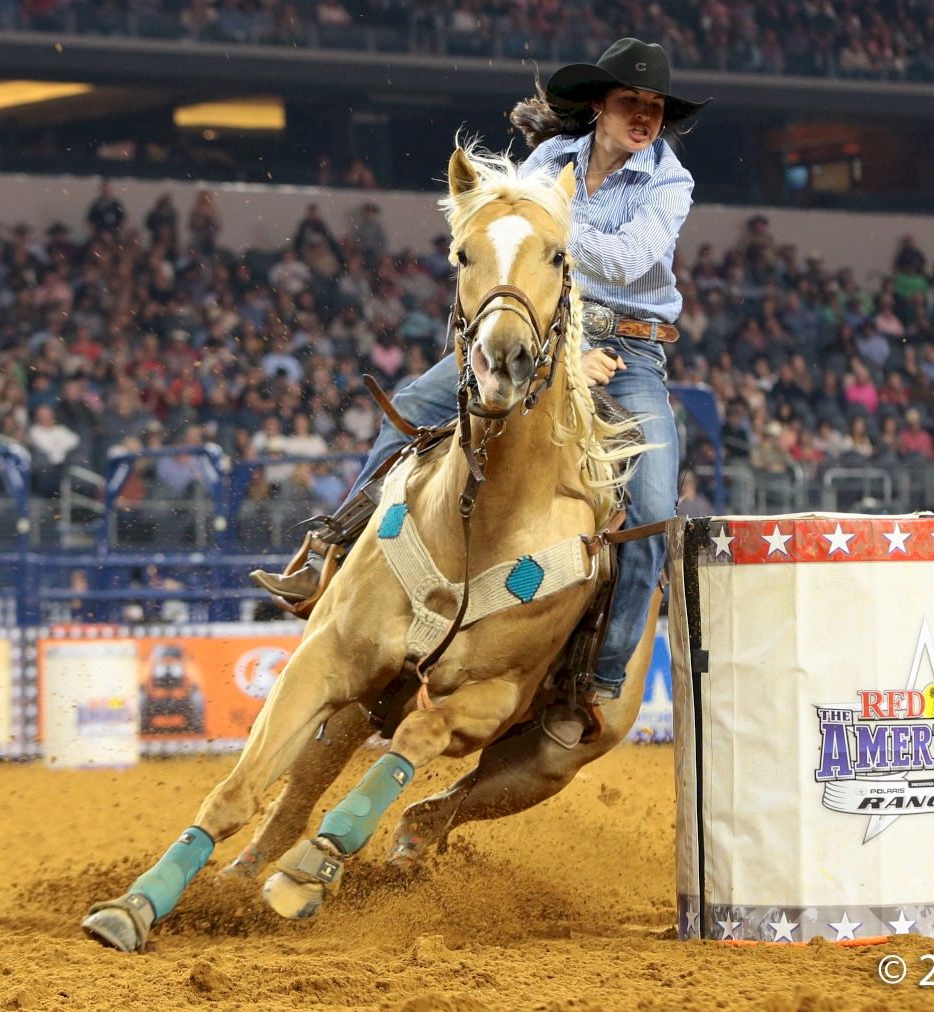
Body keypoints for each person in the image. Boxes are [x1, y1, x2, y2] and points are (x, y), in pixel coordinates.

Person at [251, 37, 707, 708]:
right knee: (413, 404)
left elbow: (626, 259)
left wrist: (538, 225)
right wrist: (529, 231)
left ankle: (603, 676)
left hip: (629, 347)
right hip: (538, 323)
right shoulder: (554, 158)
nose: (644, 116)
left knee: (656, 510)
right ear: (600, 107)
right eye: (630, 102)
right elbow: (510, 242)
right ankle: (331, 550)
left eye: (654, 107)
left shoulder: (669, 180)